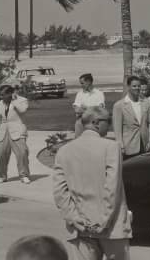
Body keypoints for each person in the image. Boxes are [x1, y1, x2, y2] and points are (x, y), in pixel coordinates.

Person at [52, 108, 132, 260]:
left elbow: (60, 193)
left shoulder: (64, 151)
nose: (109, 126)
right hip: (112, 227)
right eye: (107, 121)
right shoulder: (111, 147)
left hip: (79, 227)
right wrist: (103, 221)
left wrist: (76, 220)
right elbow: (112, 188)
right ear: (95, 122)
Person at [0, 85, 31, 184]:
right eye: (0, 94)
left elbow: (23, 110)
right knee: (0, 155)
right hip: (3, 132)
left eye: (3, 95)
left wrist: (14, 100)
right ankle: (3, 176)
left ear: (10, 93)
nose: (1, 97)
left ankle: (24, 175)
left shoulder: (22, 100)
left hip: (17, 130)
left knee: (22, 153)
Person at [111, 76, 150, 160]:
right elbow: (117, 129)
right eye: (134, 86)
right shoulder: (119, 105)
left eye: (139, 86)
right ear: (128, 87)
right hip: (128, 146)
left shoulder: (146, 103)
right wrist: (121, 146)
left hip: (145, 145)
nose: (137, 88)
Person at [72, 74, 105, 138]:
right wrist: (92, 108)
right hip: (80, 122)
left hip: (94, 123)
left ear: (89, 82)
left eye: (82, 83)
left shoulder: (99, 93)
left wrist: (84, 108)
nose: (81, 85)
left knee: (94, 142)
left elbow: (100, 110)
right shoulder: (79, 94)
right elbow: (77, 110)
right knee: (78, 143)